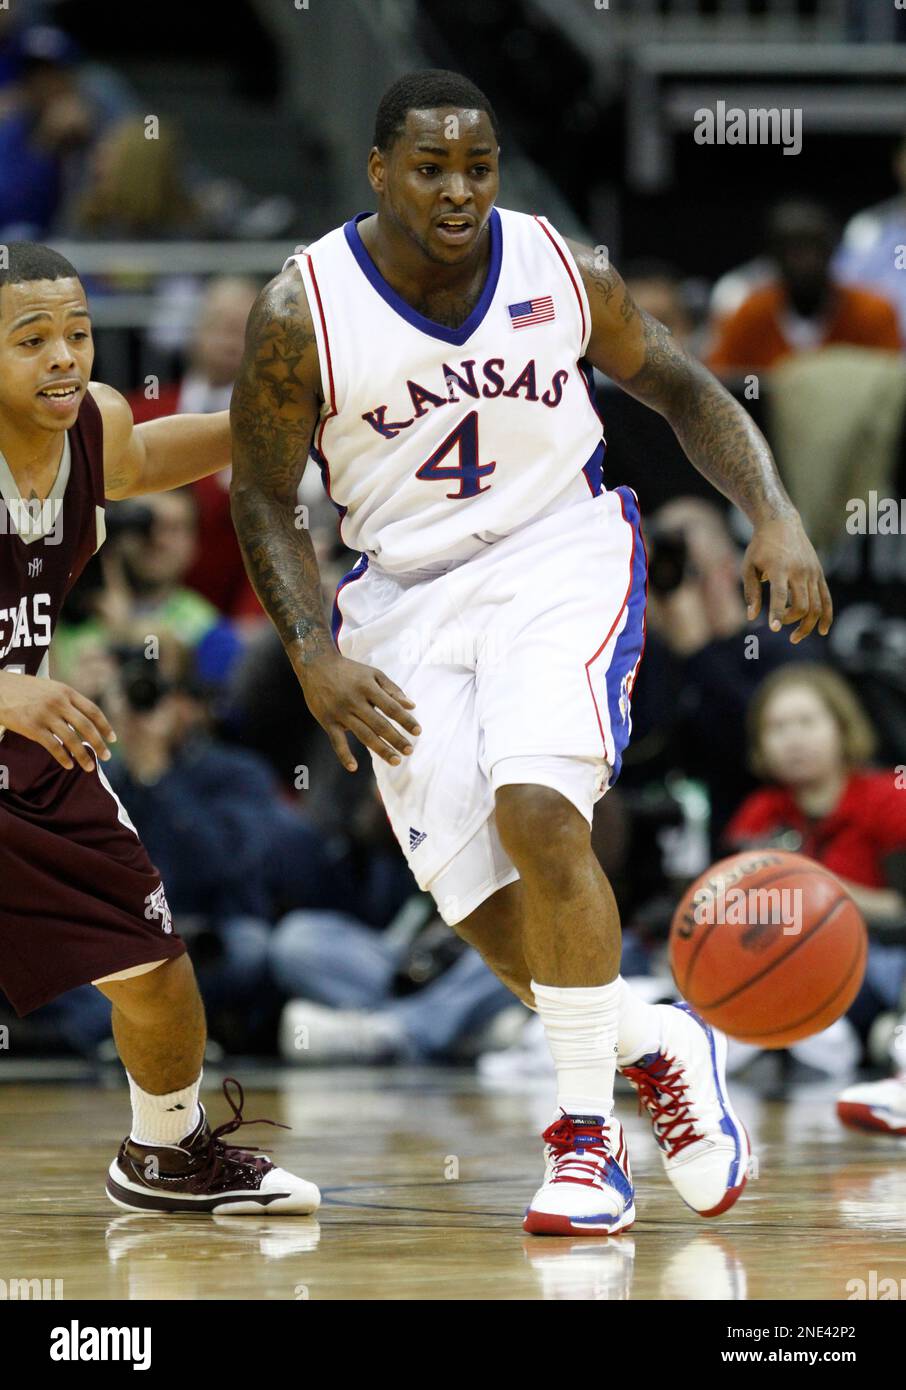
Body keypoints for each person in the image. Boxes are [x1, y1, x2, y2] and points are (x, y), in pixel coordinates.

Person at [229, 69, 833, 1237]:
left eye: (480, 165)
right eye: (431, 167)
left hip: (558, 554)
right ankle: (655, 1037)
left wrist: (775, 510)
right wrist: (310, 652)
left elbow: (681, 384)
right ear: (378, 171)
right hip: (401, 593)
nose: (460, 190)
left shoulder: (558, 266)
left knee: (539, 811)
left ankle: (582, 1144)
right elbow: (260, 494)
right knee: (474, 900)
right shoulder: (300, 311)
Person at [0, 242, 317, 1215]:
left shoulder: (93, 425)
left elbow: (141, 459)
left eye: (79, 334)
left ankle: (166, 1150)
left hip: (31, 757)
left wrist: (275, 420)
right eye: (32, 339)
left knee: (154, 963)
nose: (64, 356)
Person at [724, 664, 906, 1111]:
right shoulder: (758, 812)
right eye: (778, 727)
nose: (793, 739)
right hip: (779, 961)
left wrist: (816, 891)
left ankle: (884, 1039)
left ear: (842, 728)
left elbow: (901, 910)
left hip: (873, 954)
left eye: (807, 723)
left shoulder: (888, 797)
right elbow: (726, 917)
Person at [707, 200, 901, 376]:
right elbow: (719, 386)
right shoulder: (751, 315)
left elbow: (893, 387)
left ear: (832, 251)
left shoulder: (872, 312)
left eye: (814, 248)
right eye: (792, 251)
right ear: (773, 257)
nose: (804, 262)